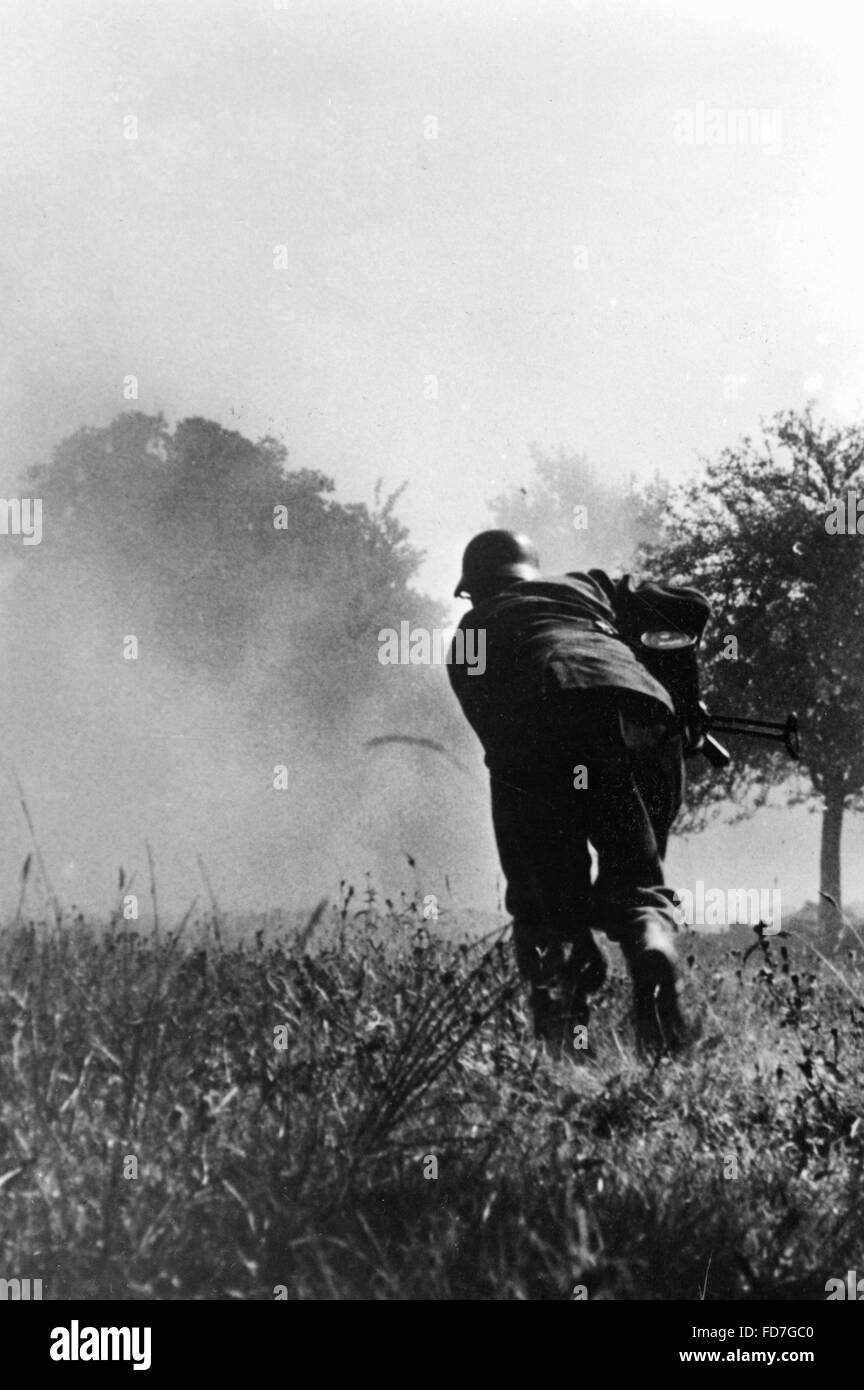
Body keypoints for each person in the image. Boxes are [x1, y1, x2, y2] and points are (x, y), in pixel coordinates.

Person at [447, 529, 711, 1056]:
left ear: (475, 588)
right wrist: (682, 699)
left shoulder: (470, 636)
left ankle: (566, 1045)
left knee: (548, 902)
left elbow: (501, 750)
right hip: (642, 712)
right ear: (531, 570)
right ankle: (652, 943)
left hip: (539, 720)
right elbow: (690, 611)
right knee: (638, 883)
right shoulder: (590, 587)